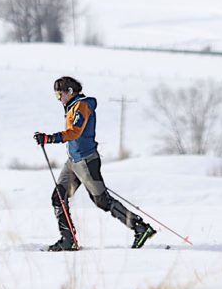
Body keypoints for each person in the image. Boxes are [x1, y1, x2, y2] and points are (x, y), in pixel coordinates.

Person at [35, 75, 156, 250]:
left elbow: (75, 132)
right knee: (58, 198)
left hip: (86, 161)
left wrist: (50, 138)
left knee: (102, 201)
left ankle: (140, 228)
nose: (58, 99)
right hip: (73, 162)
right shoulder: (71, 106)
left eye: (59, 95)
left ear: (70, 92)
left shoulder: (82, 106)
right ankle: (68, 241)